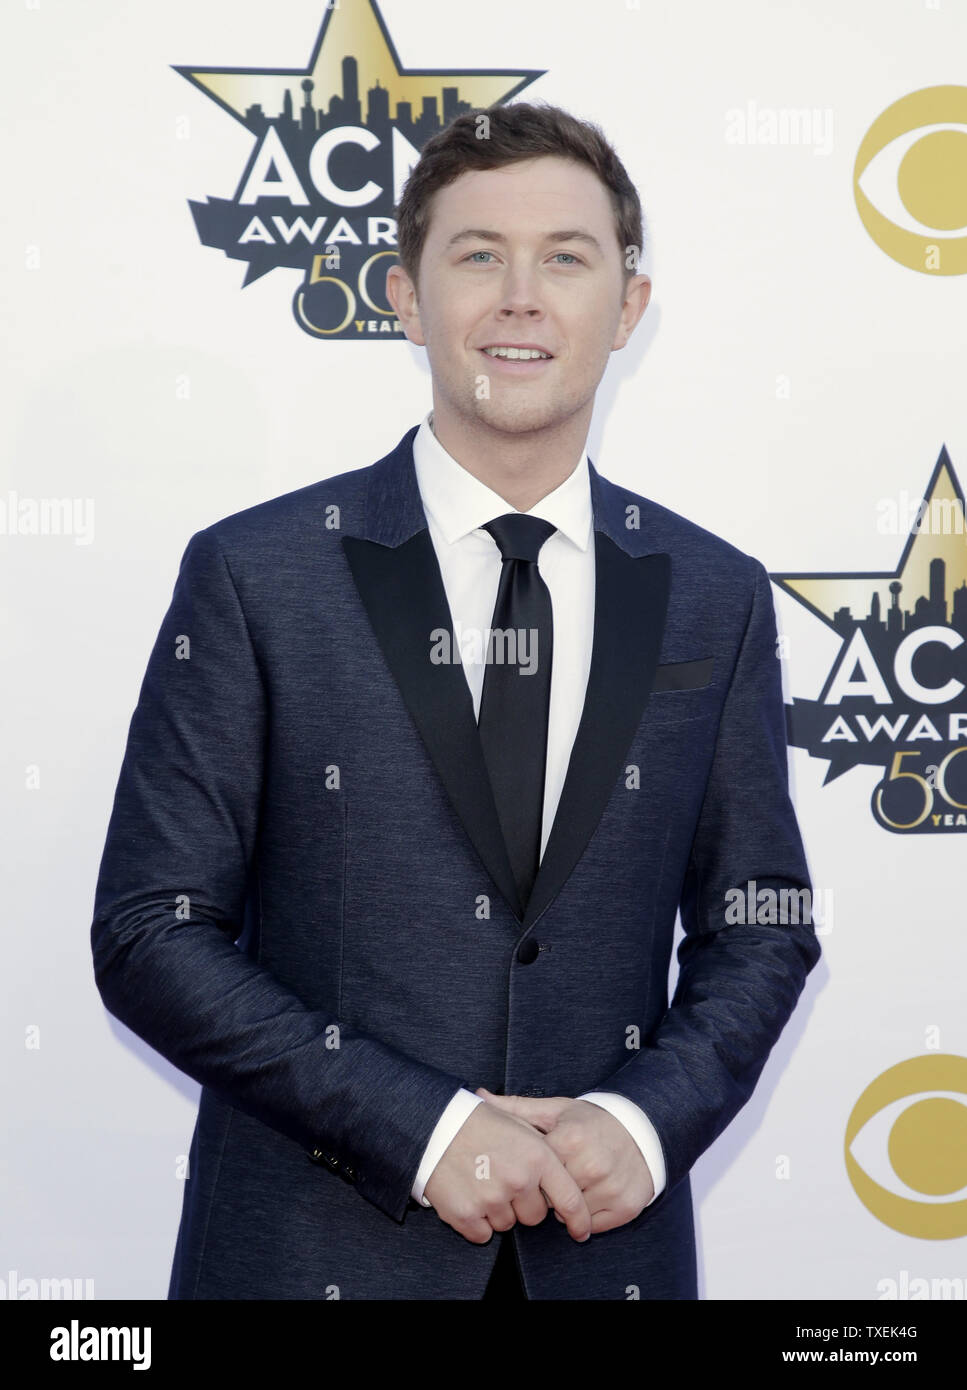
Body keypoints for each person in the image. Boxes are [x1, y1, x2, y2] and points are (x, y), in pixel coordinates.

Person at [90, 100, 822, 1301]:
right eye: (478, 255)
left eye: (567, 259)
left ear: (628, 307)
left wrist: (642, 1124)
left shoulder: (715, 596)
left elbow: (761, 918)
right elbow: (151, 930)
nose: (521, 297)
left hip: (605, 1263)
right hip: (303, 1258)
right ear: (404, 295)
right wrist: (422, 1127)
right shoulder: (257, 574)